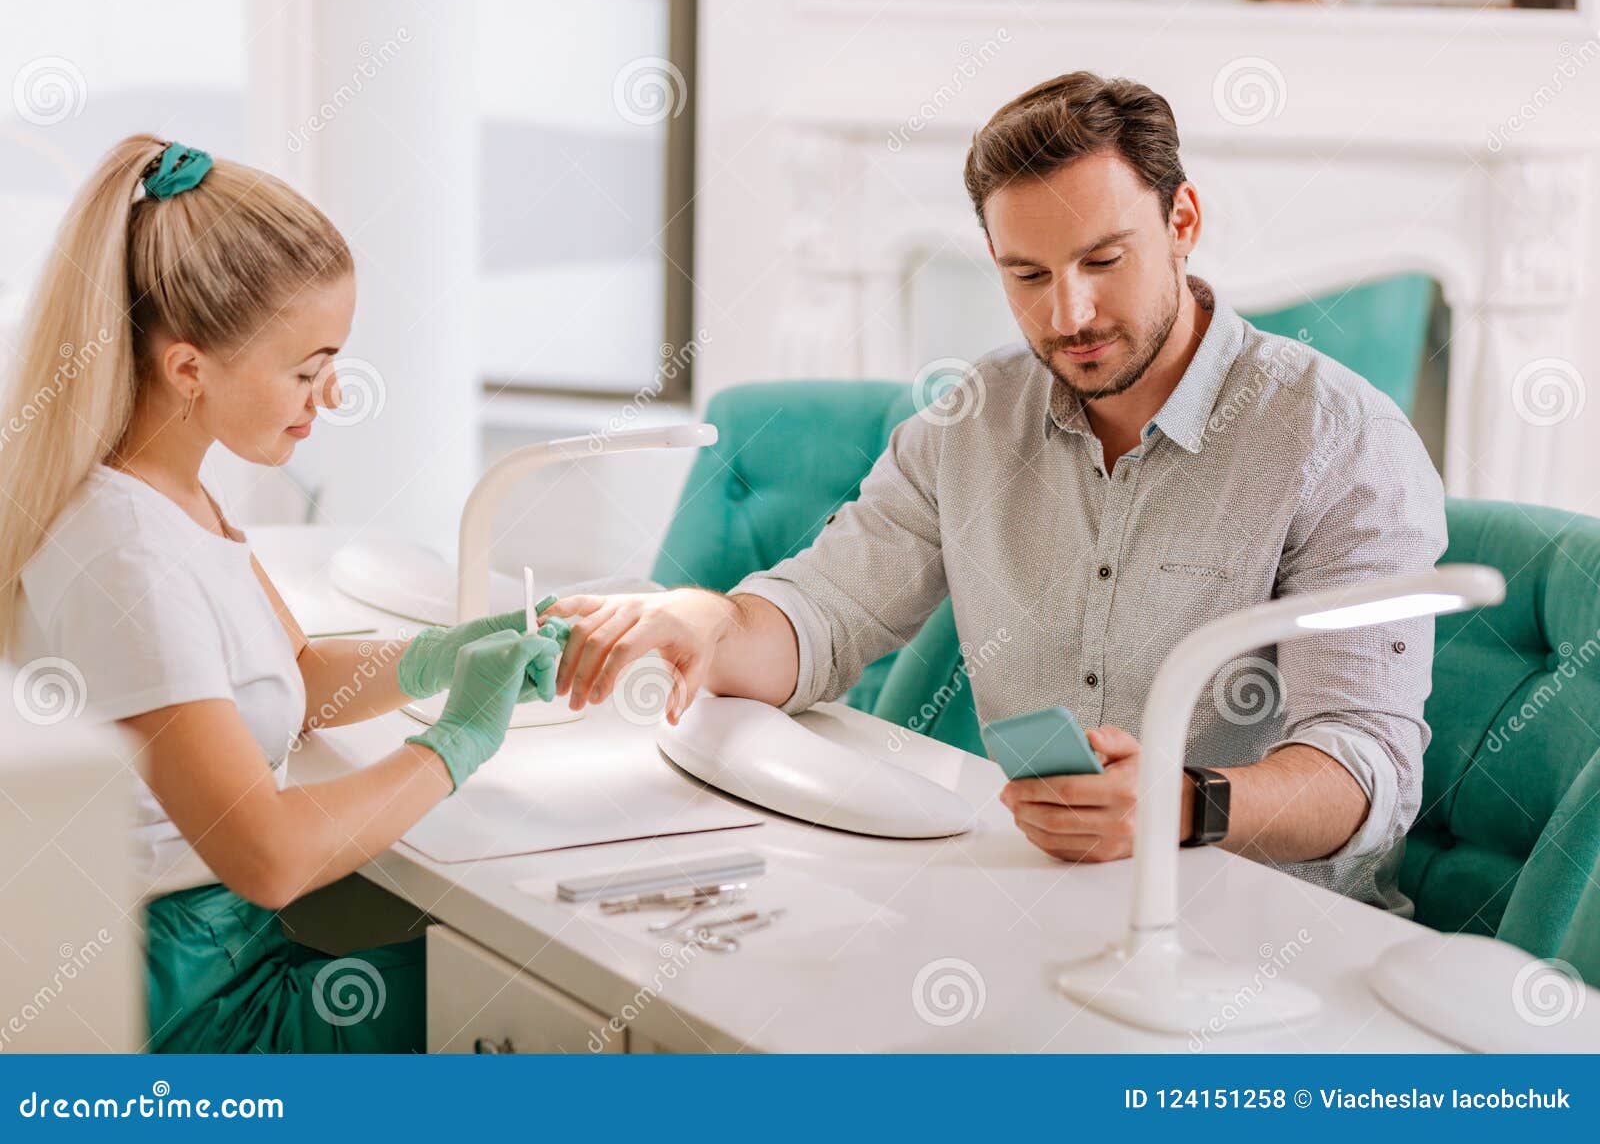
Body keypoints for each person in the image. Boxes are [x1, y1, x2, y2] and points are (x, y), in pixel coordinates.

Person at [544, 73, 1448, 914]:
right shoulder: (974, 420)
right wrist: (707, 622)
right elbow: (822, 614)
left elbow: (1365, 768)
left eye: (1104, 261)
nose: (1070, 315)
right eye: (1028, 275)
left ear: (1182, 221)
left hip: (1273, 940)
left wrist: (1180, 803)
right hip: (1042, 903)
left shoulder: (1340, 439)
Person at [0, 136, 561, 1051]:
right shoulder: (127, 556)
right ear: (189, 369)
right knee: (534, 1011)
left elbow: (289, 668)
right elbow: (268, 854)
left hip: (224, 959)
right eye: (305, 370)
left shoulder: (164, 492)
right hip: (190, 1011)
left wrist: (446, 653)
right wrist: (458, 740)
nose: (329, 395)